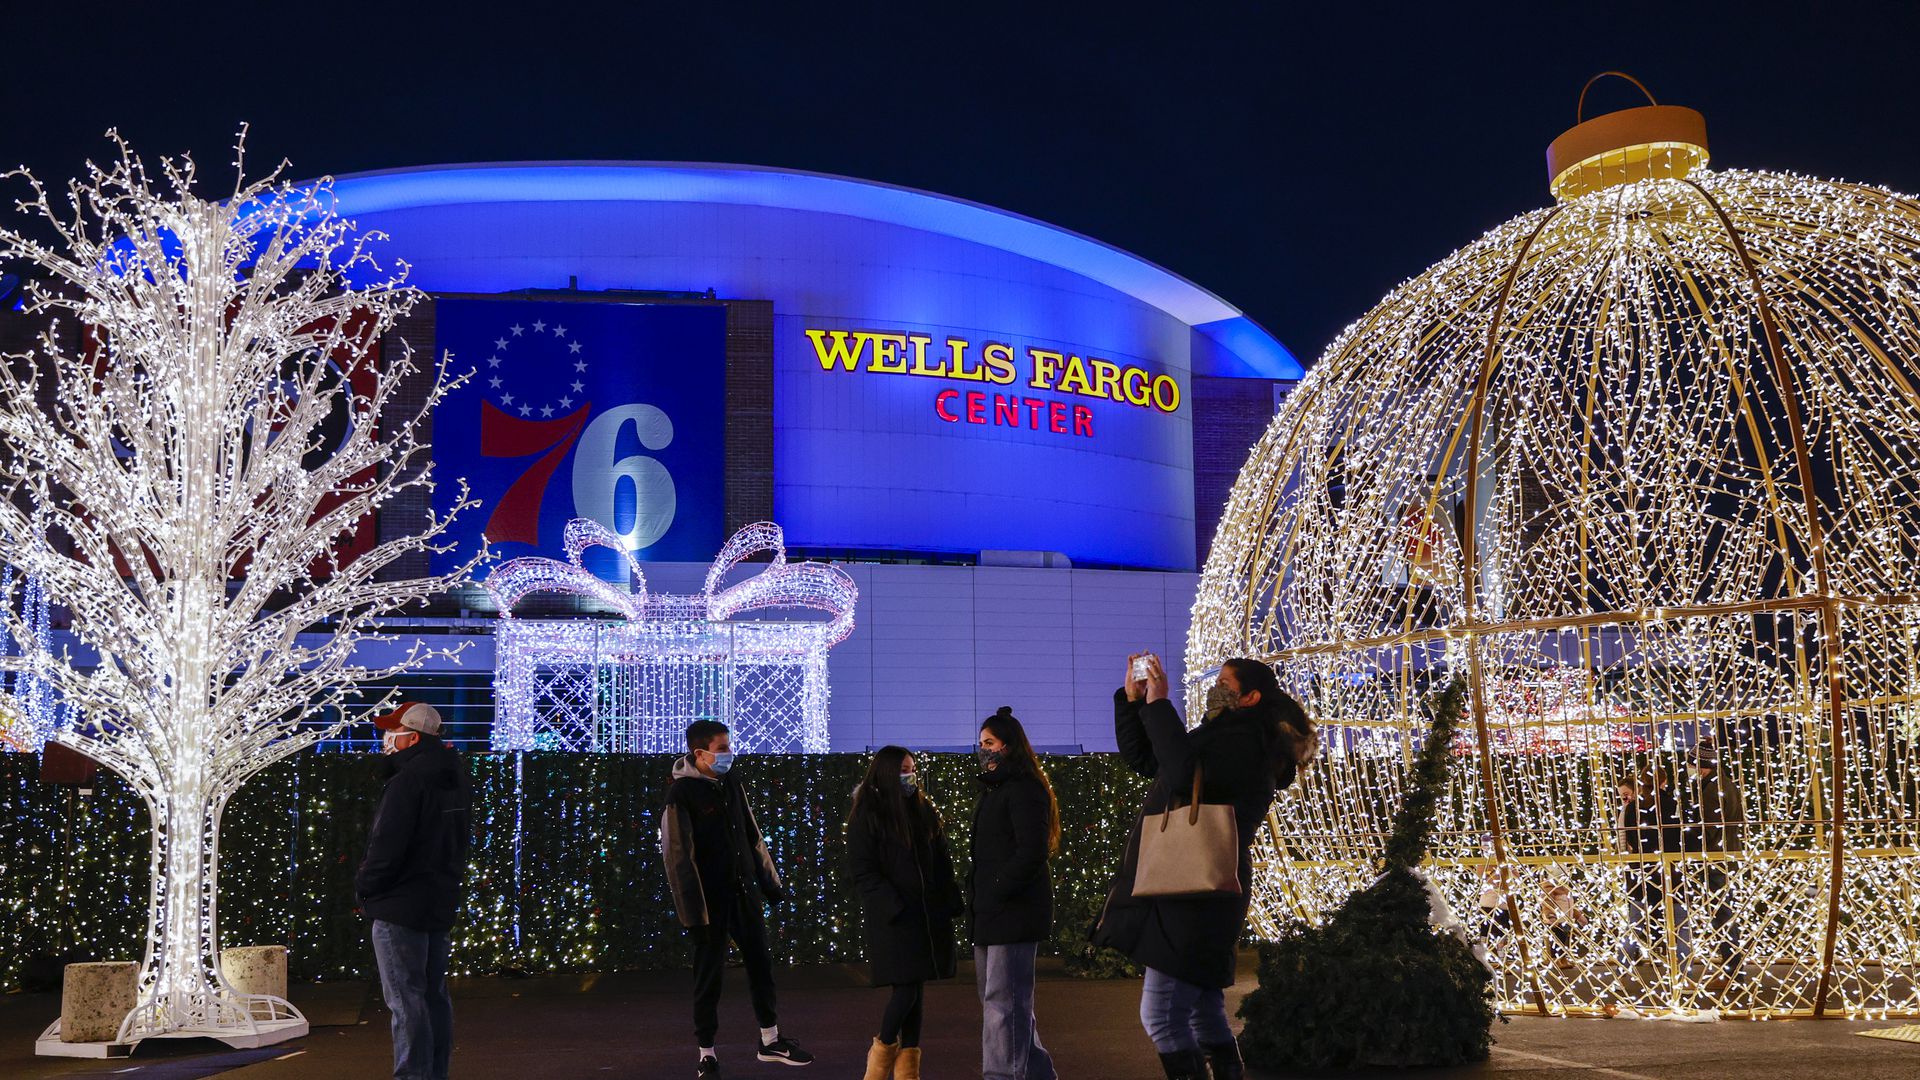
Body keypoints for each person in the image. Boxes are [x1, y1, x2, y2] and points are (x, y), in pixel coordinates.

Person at [1094, 655, 1314, 1080]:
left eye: (1225, 683)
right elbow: (1149, 760)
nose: (1216, 688)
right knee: (1201, 1012)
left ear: (1251, 697)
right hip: (1198, 887)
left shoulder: (1247, 741)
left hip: (1199, 891)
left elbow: (1180, 775)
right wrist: (1133, 702)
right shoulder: (1225, 734)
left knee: (1160, 1015)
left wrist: (1159, 707)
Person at [661, 720, 813, 1077]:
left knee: (760, 963)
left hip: (743, 893)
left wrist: (769, 883)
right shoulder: (681, 795)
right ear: (699, 754)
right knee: (708, 977)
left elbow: (751, 832)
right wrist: (693, 915)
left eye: (729, 746)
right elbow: (678, 858)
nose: (729, 754)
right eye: (722, 748)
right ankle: (706, 1053)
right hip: (709, 904)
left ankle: (770, 1040)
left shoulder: (731, 782)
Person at [356, 702, 472, 1080]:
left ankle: (413, 1076)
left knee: (406, 1000)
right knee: (432, 995)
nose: (386, 739)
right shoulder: (453, 777)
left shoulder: (407, 781)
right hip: (437, 899)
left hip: (399, 904)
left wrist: (366, 889)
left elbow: (387, 845)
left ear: (412, 736)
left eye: (392, 732)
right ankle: (434, 1073)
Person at [845, 746, 963, 1080]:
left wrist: (946, 897)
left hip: (926, 915)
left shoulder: (922, 809)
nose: (910, 776)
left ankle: (908, 1068)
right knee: (907, 989)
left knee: (916, 989)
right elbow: (863, 871)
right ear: (884, 773)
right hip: (897, 918)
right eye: (903, 770)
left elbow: (941, 859)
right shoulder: (867, 815)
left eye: (912, 769)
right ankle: (880, 1057)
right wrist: (894, 905)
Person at [969, 707, 1060, 1080]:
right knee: (1005, 1004)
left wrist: (995, 889)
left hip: (1013, 911)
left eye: (989, 743)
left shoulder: (1023, 789)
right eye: (981, 744)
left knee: (1004, 1005)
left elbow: (1031, 852)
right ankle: (1037, 1073)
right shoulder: (998, 789)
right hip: (993, 911)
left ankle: (1003, 1076)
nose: (982, 750)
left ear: (1009, 746)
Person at [1685, 741, 1745, 982]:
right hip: (1726, 855)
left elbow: (1708, 828)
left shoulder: (1713, 789)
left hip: (1717, 858)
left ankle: (1734, 972)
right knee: (1724, 915)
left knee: (1723, 916)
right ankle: (1732, 970)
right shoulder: (1723, 784)